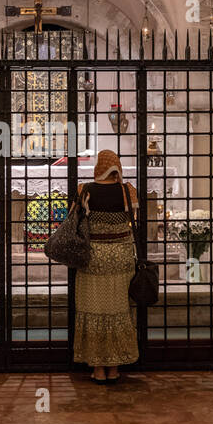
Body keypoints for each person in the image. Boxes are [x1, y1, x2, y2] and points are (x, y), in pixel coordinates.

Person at [71, 148, 139, 382]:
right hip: (120, 258)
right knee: (118, 311)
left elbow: (74, 220)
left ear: (99, 167)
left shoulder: (85, 190)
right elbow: (134, 222)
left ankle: (98, 368)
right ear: (117, 167)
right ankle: (115, 368)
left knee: (94, 310)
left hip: (93, 258)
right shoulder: (127, 191)